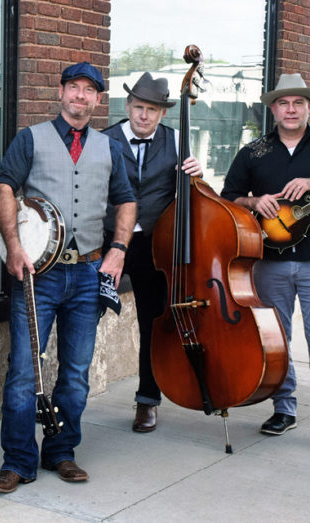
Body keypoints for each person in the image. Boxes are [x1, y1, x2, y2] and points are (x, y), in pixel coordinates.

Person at [0, 62, 137, 494]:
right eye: (75, 87)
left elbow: (126, 200)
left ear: (97, 100)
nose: (81, 96)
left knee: (75, 372)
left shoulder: (108, 147)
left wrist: (119, 249)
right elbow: (1, 188)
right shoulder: (30, 138)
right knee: (23, 372)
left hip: (89, 273)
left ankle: (61, 452)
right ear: (61, 91)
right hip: (38, 274)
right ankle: (17, 461)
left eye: (90, 91)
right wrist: (13, 245)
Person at [222, 73, 310, 452]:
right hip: (268, 261)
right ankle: (284, 410)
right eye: (283, 103)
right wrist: (255, 203)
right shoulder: (253, 151)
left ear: (309, 107)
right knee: (278, 340)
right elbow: (229, 198)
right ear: (273, 109)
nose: (291, 110)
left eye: (298, 103)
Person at [102, 72, 202, 433]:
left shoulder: (178, 141)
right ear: (128, 106)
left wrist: (196, 175)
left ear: (162, 114)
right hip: (107, 240)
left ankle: (147, 400)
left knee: (152, 322)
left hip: (154, 245)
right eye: (139, 107)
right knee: (84, 315)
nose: (144, 115)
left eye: (152, 110)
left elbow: (194, 194)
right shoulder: (104, 140)